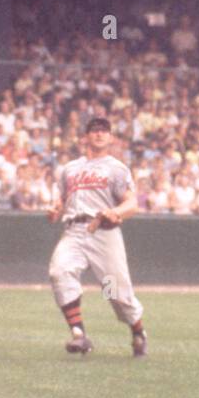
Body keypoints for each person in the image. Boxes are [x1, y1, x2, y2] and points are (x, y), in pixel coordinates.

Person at [47, 117, 147, 357]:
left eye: (104, 131)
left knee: (115, 294)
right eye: (94, 130)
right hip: (74, 230)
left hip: (103, 232)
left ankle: (138, 331)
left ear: (111, 138)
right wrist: (54, 208)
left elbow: (132, 203)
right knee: (59, 272)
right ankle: (79, 336)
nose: (99, 134)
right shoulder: (69, 169)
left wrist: (115, 211)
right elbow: (60, 198)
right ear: (85, 137)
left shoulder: (116, 168)